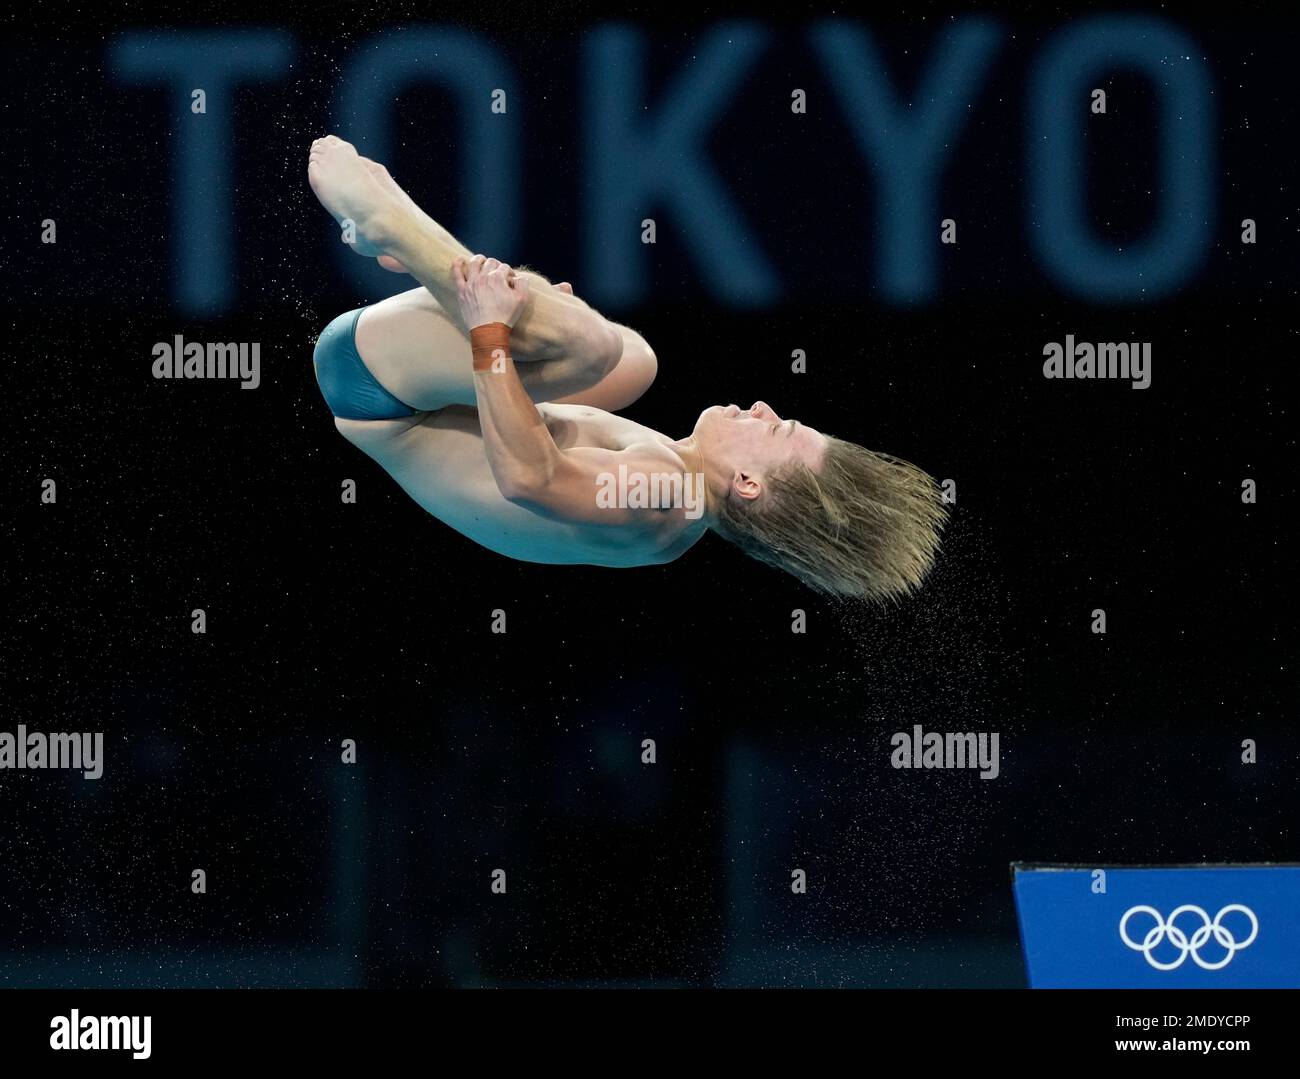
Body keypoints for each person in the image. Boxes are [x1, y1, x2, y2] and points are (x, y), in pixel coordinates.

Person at [308, 135, 945, 602]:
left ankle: (390, 225)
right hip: (408, 391)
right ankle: (436, 270)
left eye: (777, 430)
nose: (764, 410)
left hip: (376, 389)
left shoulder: (666, 494)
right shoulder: (679, 507)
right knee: (633, 361)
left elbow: (529, 477)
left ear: (748, 483)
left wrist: (490, 331)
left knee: (591, 348)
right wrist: (531, 325)